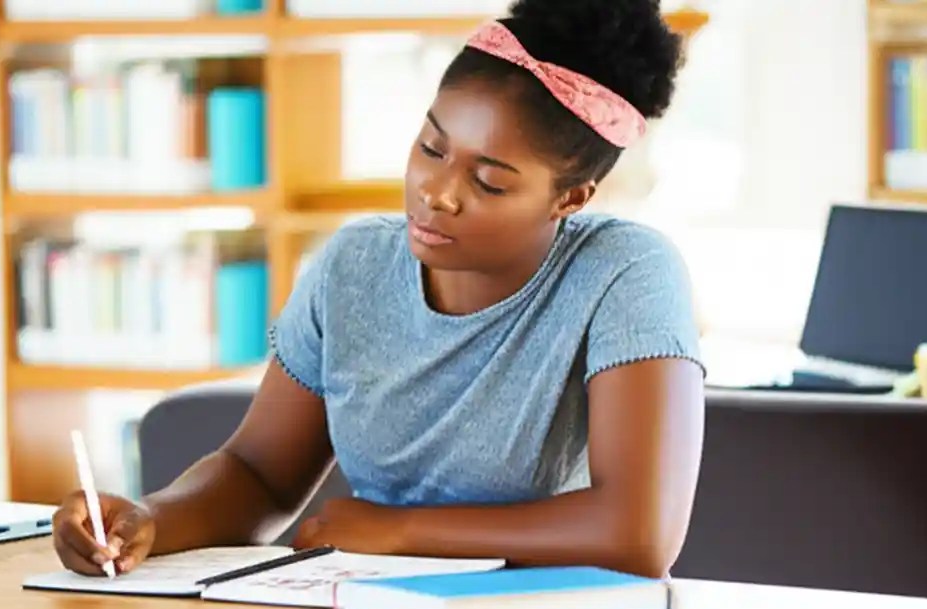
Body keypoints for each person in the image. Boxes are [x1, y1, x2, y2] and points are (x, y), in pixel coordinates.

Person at [53, 0, 705, 579]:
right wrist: (149, 519)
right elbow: (259, 474)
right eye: (431, 148)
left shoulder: (625, 272)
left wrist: (402, 532)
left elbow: (639, 535)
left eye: (488, 182)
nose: (436, 192)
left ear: (571, 198)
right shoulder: (353, 265)